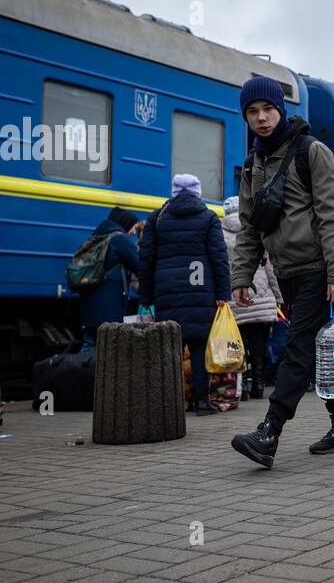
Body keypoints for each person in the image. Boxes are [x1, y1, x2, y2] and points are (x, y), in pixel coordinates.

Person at [229, 76, 334, 467]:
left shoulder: (310, 150)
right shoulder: (254, 162)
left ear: (281, 111)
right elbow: (251, 226)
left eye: (268, 110)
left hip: (319, 268)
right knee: (314, 351)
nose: (261, 118)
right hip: (287, 270)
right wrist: (241, 276)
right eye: (253, 112)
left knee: (297, 349)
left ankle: (269, 432)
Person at [138, 174, 230, 415]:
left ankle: (167, 404)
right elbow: (219, 258)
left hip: (167, 292)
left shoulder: (158, 218)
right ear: (198, 192)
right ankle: (201, 401)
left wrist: (146, 296)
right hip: (201, 293)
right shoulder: (208, 217)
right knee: (200, 348)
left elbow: (146, 260)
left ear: (174, 191)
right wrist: (223, 292)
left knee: (169, 349)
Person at [221, 195, 282, 400]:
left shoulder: (220, 234)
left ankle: (243, 388)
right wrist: (279, 297)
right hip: (260, 298)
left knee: (239, 346)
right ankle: (258, 386)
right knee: (259, 346)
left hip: (235, 295)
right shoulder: (255, 230)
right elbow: (271, 268)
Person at [78, 206, 142, 348]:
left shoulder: (98, 236)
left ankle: (79, 369)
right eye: (132, 227)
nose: (132, 232)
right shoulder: (119, 239)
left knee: (90, 343)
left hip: (90, 305)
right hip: (108, 307)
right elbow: (140, 266)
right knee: (108, 350)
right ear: (125, 224)